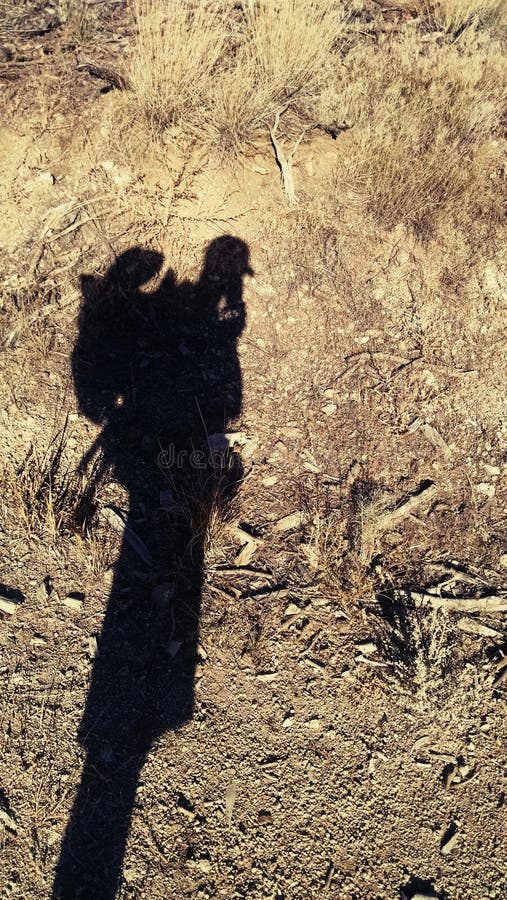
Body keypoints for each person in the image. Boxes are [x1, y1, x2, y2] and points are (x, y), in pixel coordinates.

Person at [53, 236, 251, 899]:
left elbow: (93, 396)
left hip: (143, 433)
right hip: (148, 432)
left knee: (166, 522)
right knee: (171, 524)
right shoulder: (135, 318)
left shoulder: (133, 316)